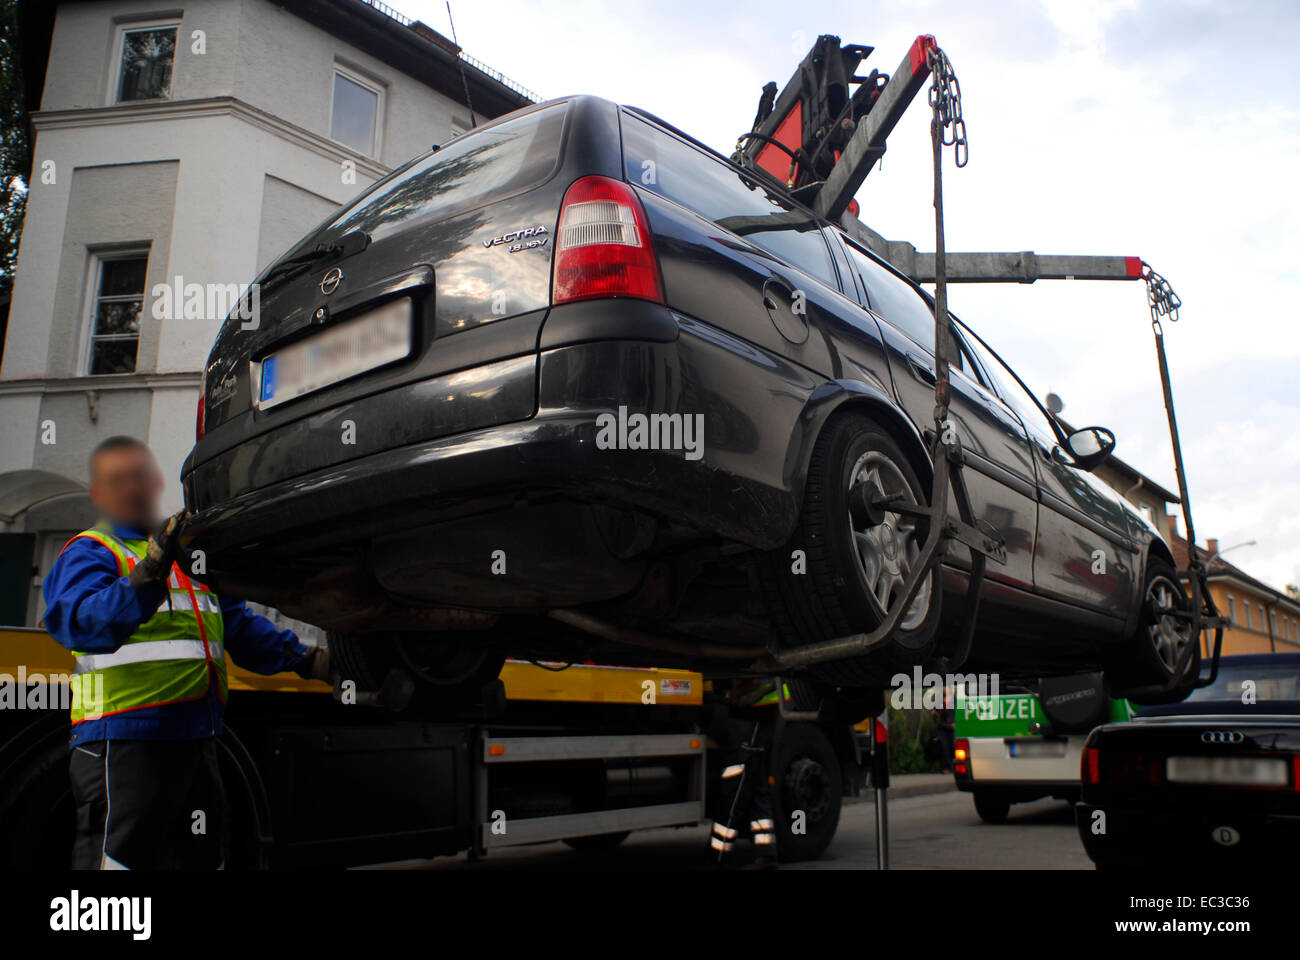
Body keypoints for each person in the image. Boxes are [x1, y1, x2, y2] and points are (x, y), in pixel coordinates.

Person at [42, 436, 330, 869]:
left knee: (200, 858)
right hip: (124, 740)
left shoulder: (185, 559)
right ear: (99, 496)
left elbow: (237, 626)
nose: (132, 488)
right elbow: (78, 623)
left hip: (196, 737)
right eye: (117, 481)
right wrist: (144, 579)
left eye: (139, 477)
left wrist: (311, 662)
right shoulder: (93, 550)